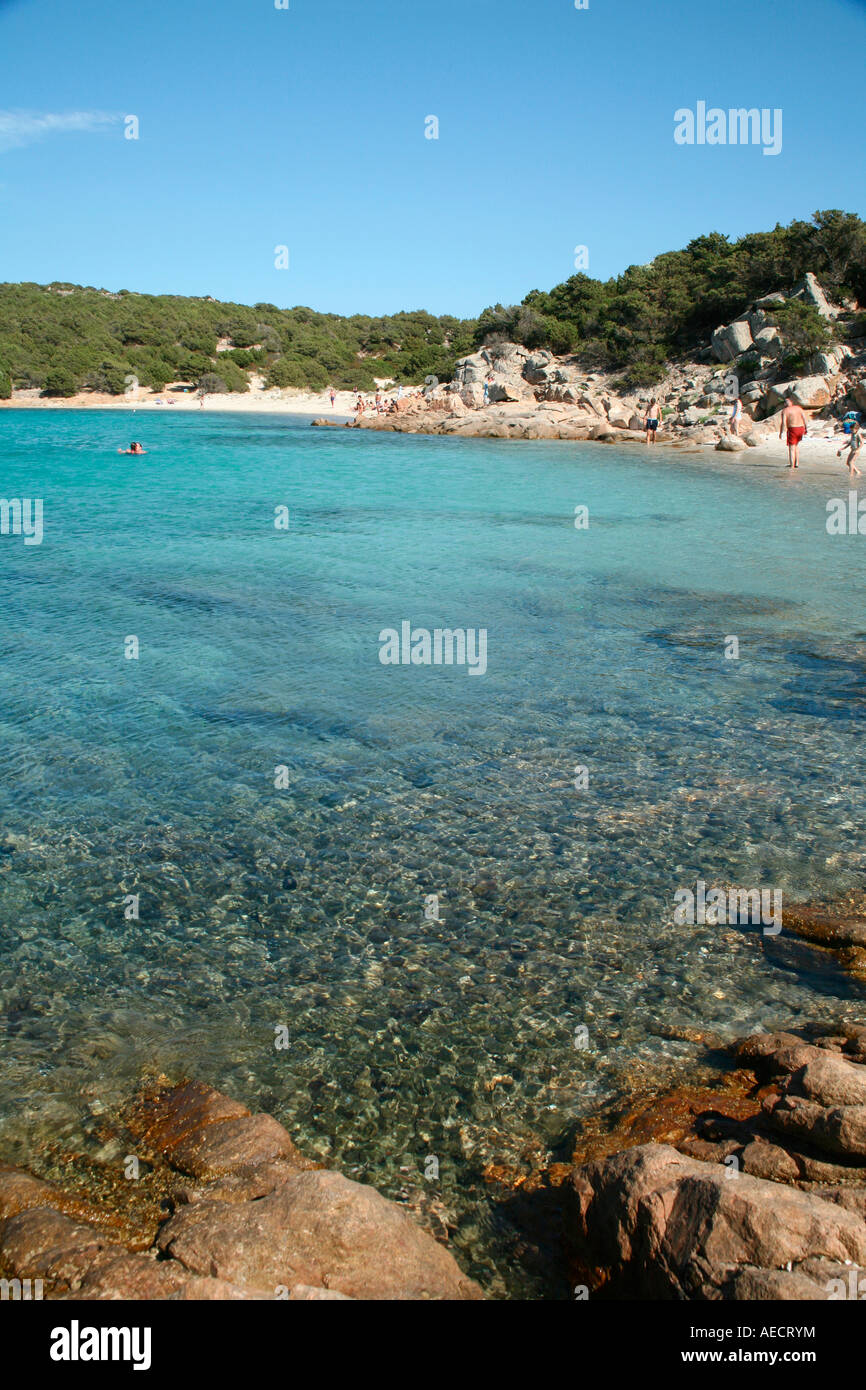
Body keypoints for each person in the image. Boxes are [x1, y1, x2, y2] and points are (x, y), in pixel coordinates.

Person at [780, 394, 807, 468]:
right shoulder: (799, 408)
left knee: (791, 447)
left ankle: (792, 466)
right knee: (796, 446)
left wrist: (782, 432)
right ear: (791, 403)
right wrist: (806, 428)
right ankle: (797, 463)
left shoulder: (785, 411)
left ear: (785, 404)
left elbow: (783, 423)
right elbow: (804, 418)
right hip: (801, 428)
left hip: (793, 429)